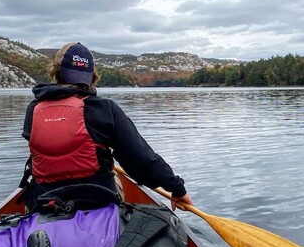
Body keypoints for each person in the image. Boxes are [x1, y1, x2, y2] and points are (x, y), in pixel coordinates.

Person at [20, 42, 193, 212]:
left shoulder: (34, 109)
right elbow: (141, 160)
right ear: (92, 76)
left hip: (46, 202)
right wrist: (177, 188)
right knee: (117, 176)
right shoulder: (104, 109)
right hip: (97, 203)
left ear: (57, 73)